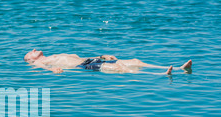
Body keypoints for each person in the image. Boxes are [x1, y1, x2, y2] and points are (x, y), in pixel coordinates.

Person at [24, 49, 192, 75]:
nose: (33, 49)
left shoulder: (55, 53)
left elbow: (80, 55)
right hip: (85, 66)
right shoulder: (38, 63)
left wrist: (103, 56)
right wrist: (53, 70)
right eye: (30, 52)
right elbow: (41, 67)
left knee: (135, 60)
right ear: (30, 58)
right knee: (121, 67)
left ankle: (178, 67)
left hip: (90, 59)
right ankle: (162, 74)